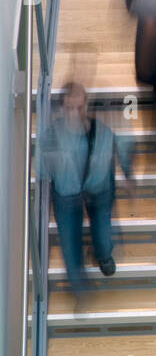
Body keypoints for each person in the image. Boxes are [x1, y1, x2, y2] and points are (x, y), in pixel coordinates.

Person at [36, 83, 135, 300]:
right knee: (70, 245)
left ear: (86, 106)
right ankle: (80, 292)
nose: (75, 113)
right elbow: (42, 172)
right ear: (62, 109)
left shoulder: (101, 131)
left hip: (99, 190)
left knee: (103, 236)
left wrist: (128, 174)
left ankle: (103, 255)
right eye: (70, 108)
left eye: (79, 107)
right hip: (66, 195)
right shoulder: (51, 138)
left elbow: (121, 145)